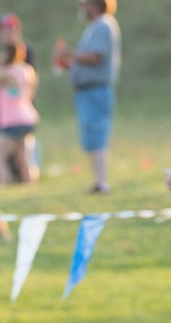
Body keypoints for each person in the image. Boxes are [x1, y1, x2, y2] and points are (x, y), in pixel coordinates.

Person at [55, 0, 121, 194]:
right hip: (87, 90)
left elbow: (95, 57)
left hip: (96, 89)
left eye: (86, 4)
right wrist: (68, 64)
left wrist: (70, 54)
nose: (82, 8)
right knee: (90, 136)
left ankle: (102, 182)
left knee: (97, 133)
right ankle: (97, 181)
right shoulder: (93, 27)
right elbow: (86, 60)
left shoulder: (103, 25)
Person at [0, 41, 39, 185]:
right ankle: (29, 184)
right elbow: (31, 93)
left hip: (10, 119)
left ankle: (4, 185)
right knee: (24, 156)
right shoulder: (28, 70)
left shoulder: (4, 72)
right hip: (27, 116)